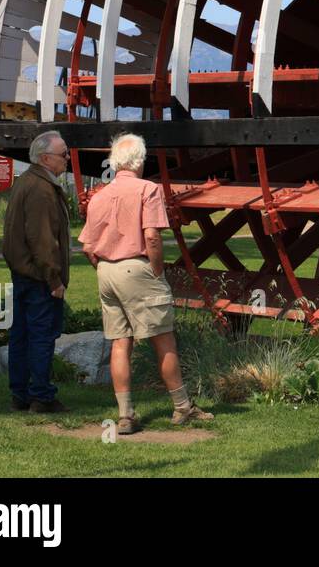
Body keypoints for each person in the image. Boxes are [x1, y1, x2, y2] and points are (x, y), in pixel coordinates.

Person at [79, 133, 213, 434]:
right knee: (163, 339)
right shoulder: (148, 190)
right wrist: (156, 271)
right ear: (139, 160)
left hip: (106, 272)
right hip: (137, 269)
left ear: (115, 162)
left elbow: (87, 246)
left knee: (119, 343)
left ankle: (125, 415)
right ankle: (182, 407)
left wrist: (103, 265)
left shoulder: (99, 196)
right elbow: (152, 236)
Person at [2, 130, 72, 413]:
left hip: (23, 273)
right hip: (39, 276)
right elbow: (43, 240)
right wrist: (54, 279)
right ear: (46, 158)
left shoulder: (27, 181)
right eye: (63, 154)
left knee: (22, 335)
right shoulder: (42, 189)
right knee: (42, 336)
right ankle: (41, 395)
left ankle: (21, 393)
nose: (67, 158)